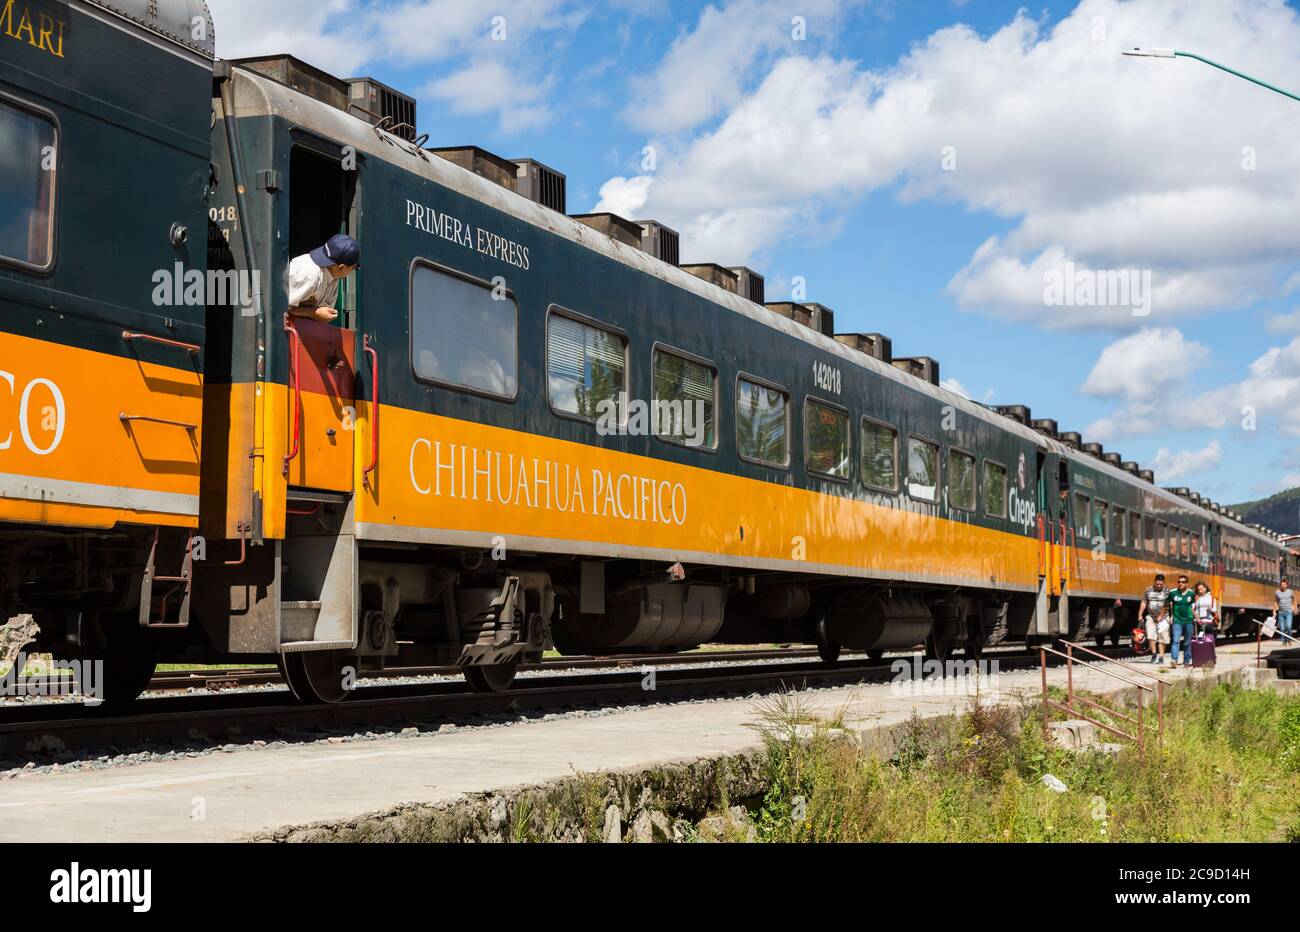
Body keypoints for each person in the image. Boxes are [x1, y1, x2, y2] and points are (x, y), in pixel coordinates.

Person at [287, 233, 361, 323]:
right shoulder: (309, 274)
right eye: (354, 268)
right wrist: (313, 313)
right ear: (341, 267)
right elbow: (279, 307)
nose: (353, 271)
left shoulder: (333, 277)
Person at [1138, 573, 1170, 665]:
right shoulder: (1148, 590)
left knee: (1163, 637)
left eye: (1161, 584)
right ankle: (1154, 654)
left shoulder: (1167, 591)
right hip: (1151, 616)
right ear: (1155, 582)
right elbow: (1144, 602)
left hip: (1163, 617)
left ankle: (1161, 656)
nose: (1159, 586)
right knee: (1151, 635)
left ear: (1163, 583)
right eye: (1157, 584)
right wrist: (1140, 615)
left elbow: (1167, 605)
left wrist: (1161, 616)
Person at [1167, 574, 1197, 668]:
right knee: (1176, 640)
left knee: (1187, 642)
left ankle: (1186, 661)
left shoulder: (1191, 594)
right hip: (1177, 620)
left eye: (1183, 582)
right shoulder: (1173, 593)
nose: (1180, 583)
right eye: (1179, 582)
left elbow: (1193, 607)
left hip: (1188, 621)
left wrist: (1196, 618)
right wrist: (1170, 617)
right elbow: (1167, 605)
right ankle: (1174, 660)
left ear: (1187, 584)